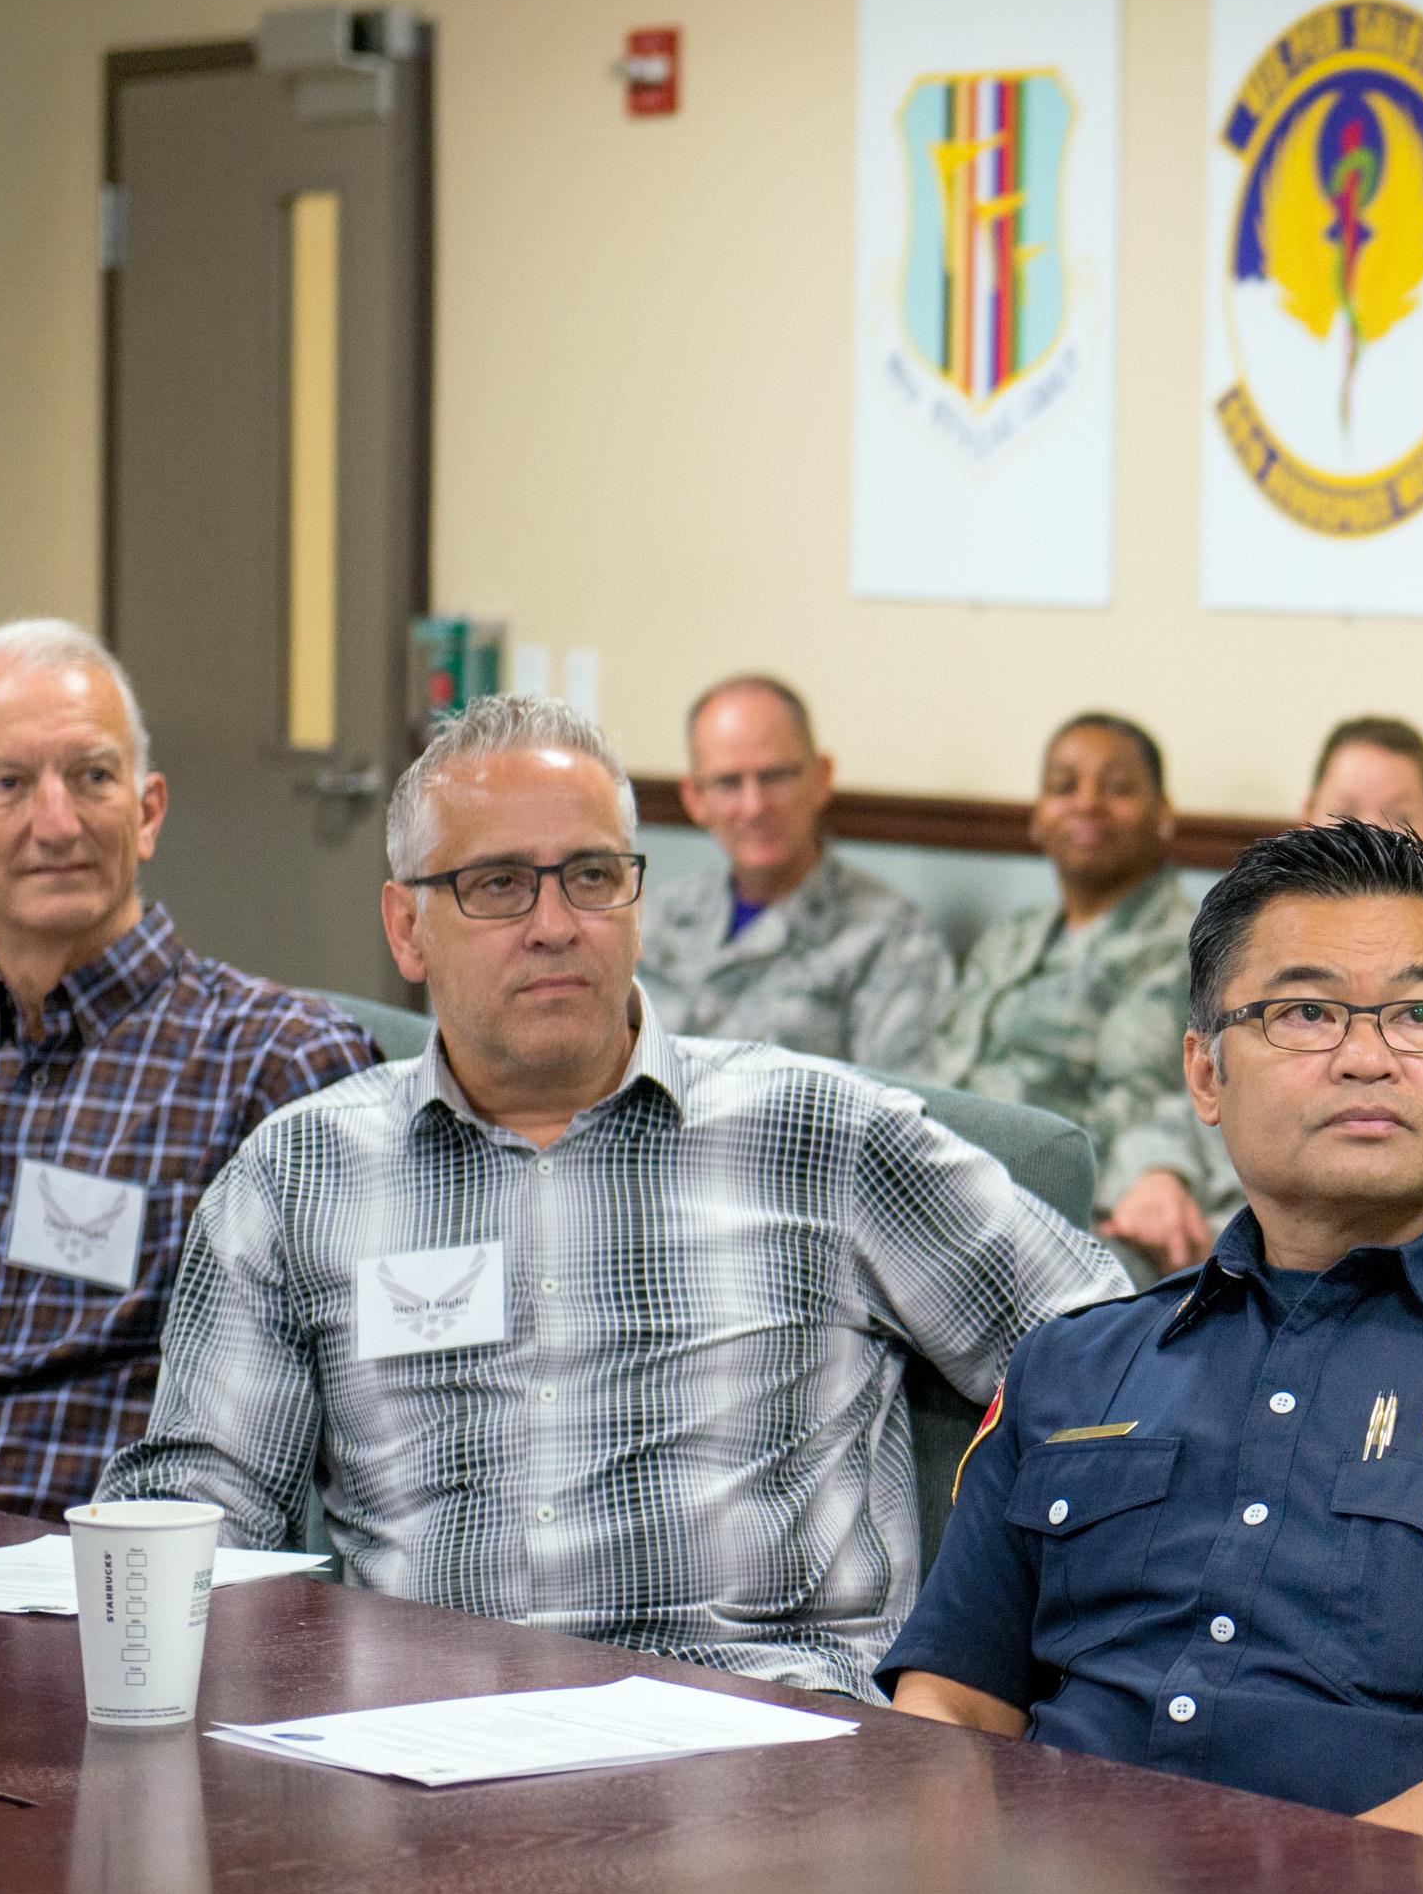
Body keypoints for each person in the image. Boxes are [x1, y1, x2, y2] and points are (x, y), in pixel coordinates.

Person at [102, 696, 1123, 1696]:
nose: (555, 925)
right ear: (406, 930)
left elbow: (1115, 1371)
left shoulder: (823, 1137)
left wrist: (966, 1672)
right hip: (423, 1750)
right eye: (498, 884)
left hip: (765, 1757)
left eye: (592, 877)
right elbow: (206, 1504)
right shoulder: (299, 1178)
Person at [883, 821, 1423, 1860]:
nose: (1369, 1057)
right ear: (1204, 1075)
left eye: (1421, 1015)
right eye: (1306, 1013)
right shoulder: (1074, 1365)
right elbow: (952, 1707)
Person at [0, 619, 373, 1518]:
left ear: (147, 811)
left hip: (106, 1599)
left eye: (92, 777)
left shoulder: (277, 1061)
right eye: (7, 783)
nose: (58, 821)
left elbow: (361, 1425)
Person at [1108, 714, 1423, 1272]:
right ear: (1304, 821)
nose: (1368, 830)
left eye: (1413, 1014)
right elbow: (1197, 1095)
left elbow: (1415, 1189)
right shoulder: (1249, 960)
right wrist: (1159, 1175)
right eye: (1308, 1012)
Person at [925, 712, 1216, 1253]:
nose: (1086, 803)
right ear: (1037, 818)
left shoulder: (1187, 945)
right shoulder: (1011, 935)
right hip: (933, 1181)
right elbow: (946, 1063)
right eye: (1063, 787)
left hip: (1049, 1208)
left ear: (1165, 815)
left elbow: (1135, 1103)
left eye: (1117, 788)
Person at [634, 673, 949, 1070]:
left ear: (821, 778)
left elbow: (901, 1111)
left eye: (775, 776)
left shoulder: (891, 938)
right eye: (729, 783)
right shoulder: (656, 919)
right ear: (695, 799)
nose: (754, 806)